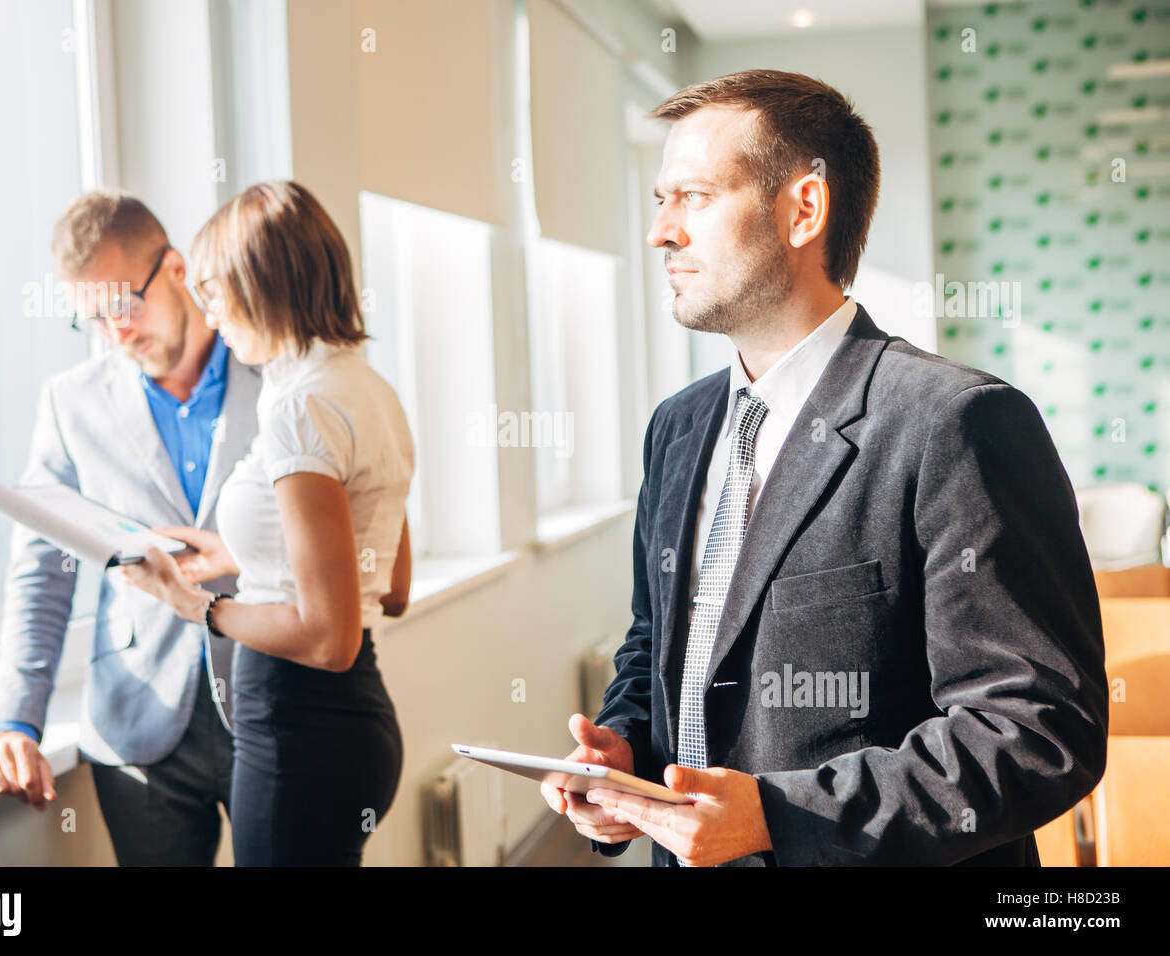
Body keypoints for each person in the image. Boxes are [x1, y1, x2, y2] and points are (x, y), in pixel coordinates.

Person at [541, 69, 1108, 866]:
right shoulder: (678, 428)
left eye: (695, 197)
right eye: (660, 200)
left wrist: (778, 815)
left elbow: (1037, 733)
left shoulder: (957, 422)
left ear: (804, 208)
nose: (661, 232)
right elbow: (658, 640)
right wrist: (627, 754)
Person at [119, 180, 413, 866]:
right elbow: (387, 587)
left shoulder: (297, 409)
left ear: (262, 284)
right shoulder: (367, 388)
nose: (211, 317)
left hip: (298, 732)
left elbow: (327, 636)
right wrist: (234, 555)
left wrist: (197, 606)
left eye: (216, 293)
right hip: (353, 729)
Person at [0, 190, 261, 865]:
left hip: (270, 700)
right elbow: (41, 569)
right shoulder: (69, 403)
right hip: (138, 726)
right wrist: (15, 718)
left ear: (176, 268)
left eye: (123, 307)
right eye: (93, 319)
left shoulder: (270, 368)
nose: (116, 334)